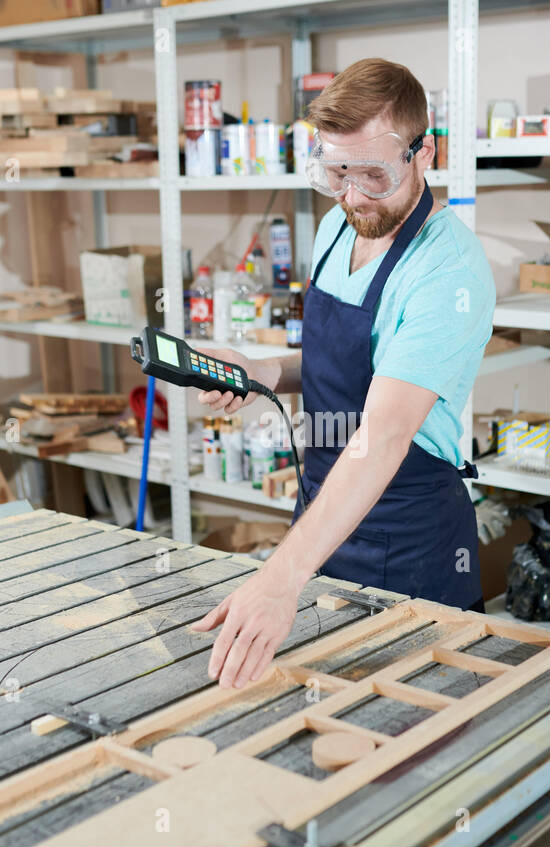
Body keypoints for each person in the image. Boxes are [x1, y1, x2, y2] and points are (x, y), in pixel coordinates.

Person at [190, 58, 495, 688]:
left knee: (413, 740)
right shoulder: (336, 227)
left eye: (374, 176)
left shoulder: (450, 270)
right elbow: (349, 362)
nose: (353, 196)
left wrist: (278, 578)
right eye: (336, 173)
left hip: (409, 539)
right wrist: (266, 369)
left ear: (423, 154)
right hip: (326, 518)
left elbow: (382, 434)